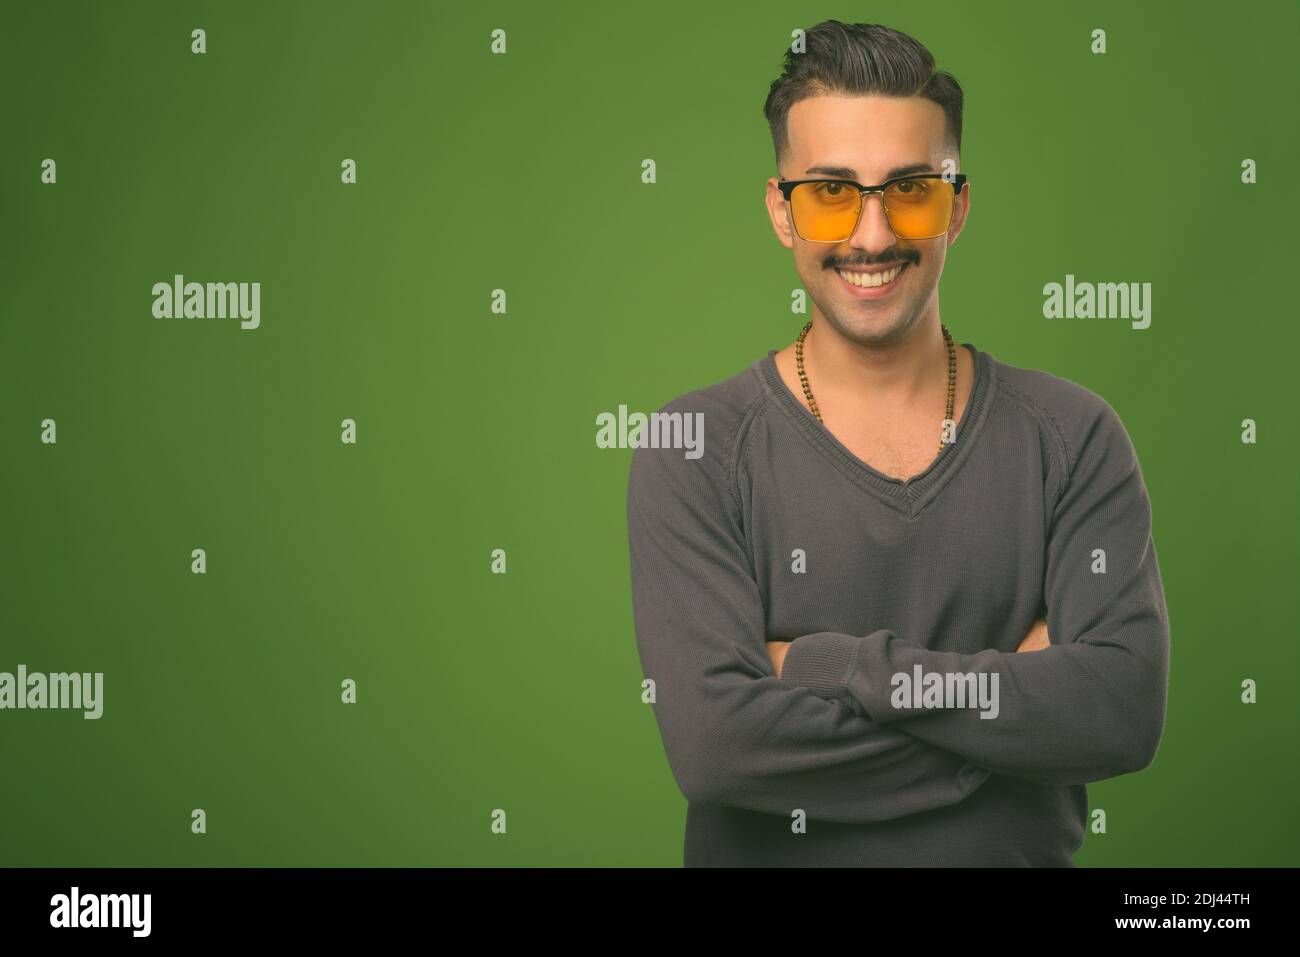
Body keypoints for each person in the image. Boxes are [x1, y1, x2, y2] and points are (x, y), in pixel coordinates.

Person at [624, 19, 1170, 866]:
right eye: (830, 193)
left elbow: (1119, 711)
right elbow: (718, 749)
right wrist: (1006, 724)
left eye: (911, 189)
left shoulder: (1073, 436)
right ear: (781, 212)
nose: (872, 236)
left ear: (958, 206)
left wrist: (831, 664)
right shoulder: (691, 449)